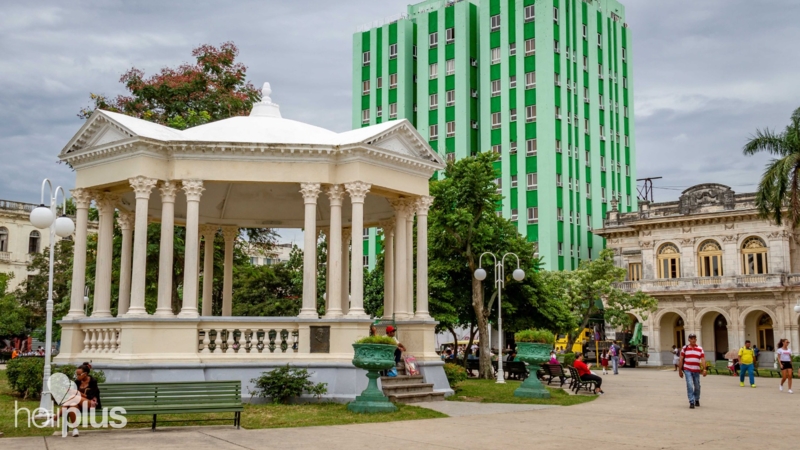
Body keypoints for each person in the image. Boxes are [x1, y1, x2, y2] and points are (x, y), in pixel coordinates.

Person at [47, 364, 101, 437]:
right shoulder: (77, 382)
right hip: (79, 403)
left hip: (90, 403)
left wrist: (78, 393)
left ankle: (55, 418)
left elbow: (91, 396)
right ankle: (75, 429)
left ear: (85, 374)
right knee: (72, 406)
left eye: (79, 374)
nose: (77, 376)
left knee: (74, 397)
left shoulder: (93, 381)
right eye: (76, 374)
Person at [678, 333, 707, 409]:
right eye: (692, 338)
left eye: (694, 338)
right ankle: (691, 401)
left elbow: (703, 359)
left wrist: (704, 369)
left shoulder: (700, 349)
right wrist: (680, 370)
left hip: (696, 370)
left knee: (697, 386)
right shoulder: (685, 348)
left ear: (696, 339)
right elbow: (681, 359)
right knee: (690, 385)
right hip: (687, 369)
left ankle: (696, 398)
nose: (693, 340)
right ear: (689, 340)